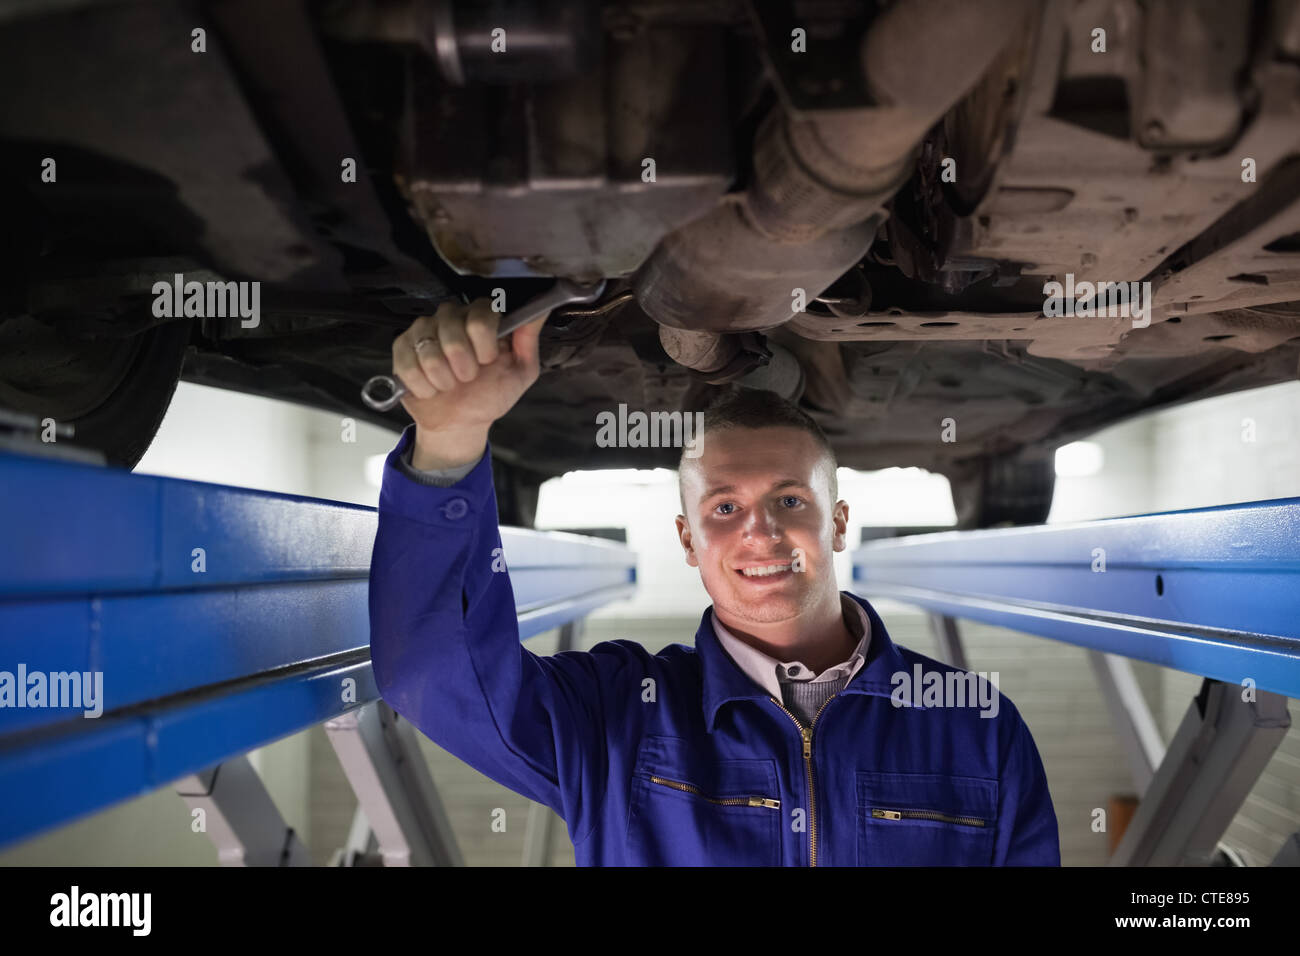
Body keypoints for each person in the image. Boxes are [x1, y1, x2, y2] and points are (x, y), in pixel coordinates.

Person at [368, 296, 1061, 866]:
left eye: (790, 500)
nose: (760, 531)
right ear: (688, 541)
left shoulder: (975, 727)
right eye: (724, 508)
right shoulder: (620, 719)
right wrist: (450, 440)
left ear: (839, 522)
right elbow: (432, 674)